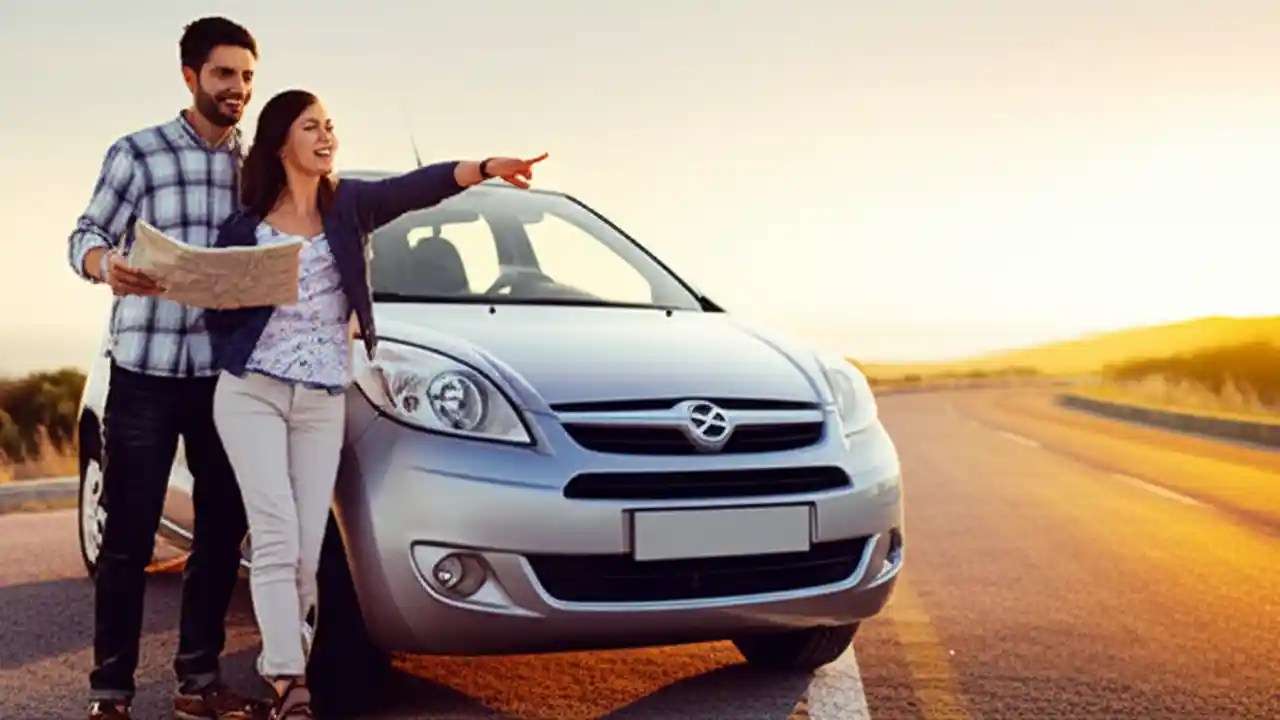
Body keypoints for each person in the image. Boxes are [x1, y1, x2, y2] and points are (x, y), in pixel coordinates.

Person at [205, 88, 547, 719]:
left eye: (330, 125)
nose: (327, 136)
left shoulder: (349, 206)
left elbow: (416, 188)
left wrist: (482, 168)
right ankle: (289, 682)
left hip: (321, 398)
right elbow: (216, 314)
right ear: (281, 143)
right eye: (312, 126)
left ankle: (285, 663)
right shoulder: (243, 229)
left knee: (306, 546)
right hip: (252, 393)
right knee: (276, 534)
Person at [67, 17, 269, 720]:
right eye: (224, 74)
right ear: (191, 77)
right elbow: (84, 235)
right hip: (144, 375)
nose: (238, 88)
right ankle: (110, 693)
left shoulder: (258, 166)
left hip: (223, 380)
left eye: (247, 76)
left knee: (221, 533)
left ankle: (198, 682)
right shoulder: (138, 153)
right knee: (128, 539)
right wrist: (107, 265)